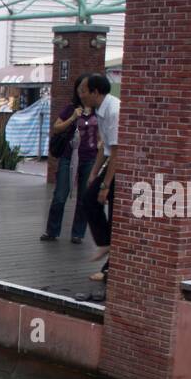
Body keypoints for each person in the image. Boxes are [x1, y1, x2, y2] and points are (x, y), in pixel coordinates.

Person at [77, 72, 121, 282]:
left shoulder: (113, 110)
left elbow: (118, 152)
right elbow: (105, 149)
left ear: (95, 92)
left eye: (83, 91)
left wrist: (105, 185)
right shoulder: (100, 110)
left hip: (123, 166)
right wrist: (94, 173)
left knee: (114, 216)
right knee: (88, 198)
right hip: (113, 162)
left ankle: (109, 265)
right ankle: (105, 245)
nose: (81, 96)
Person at [41, 74, 94, 244]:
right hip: (68, 157)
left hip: (90, 158)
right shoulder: (71, 108)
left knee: (84, 197)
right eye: (80, 90)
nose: (82, 93)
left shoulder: (98, 110)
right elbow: (56, 128)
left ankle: (78, 233)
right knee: (60, 195)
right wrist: (72, 118)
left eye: (85, 90)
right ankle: (52, 231)